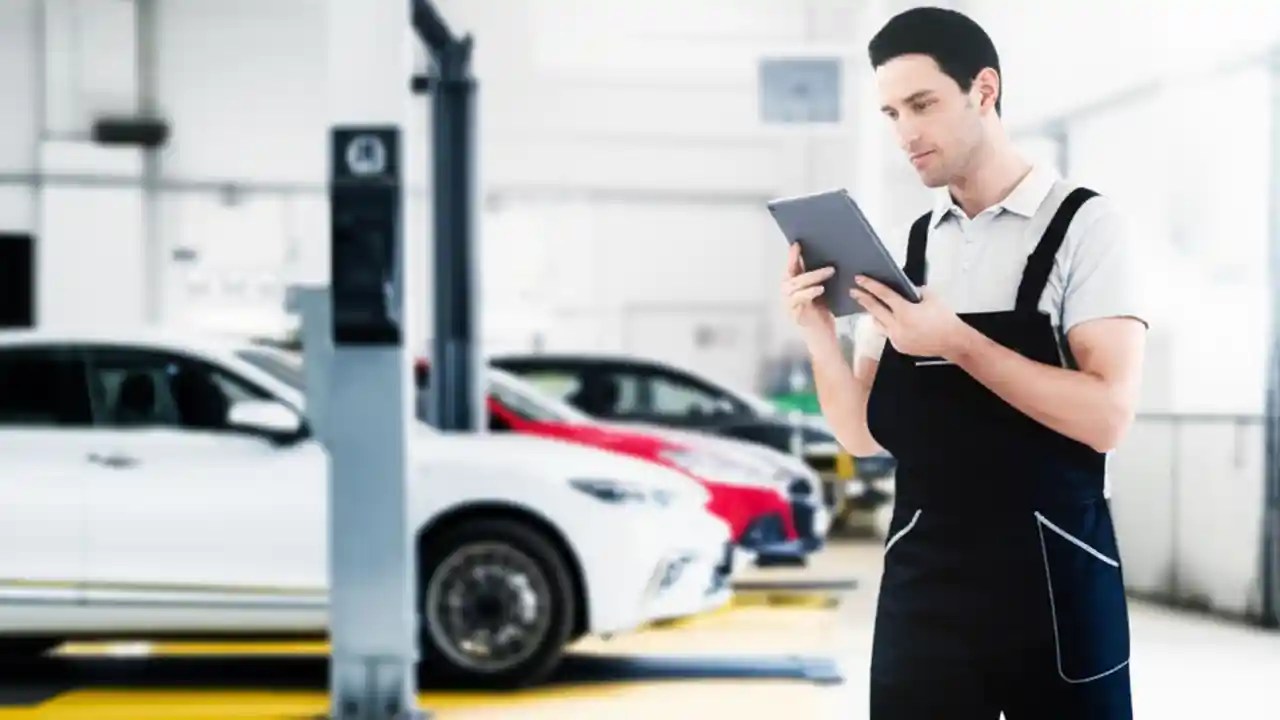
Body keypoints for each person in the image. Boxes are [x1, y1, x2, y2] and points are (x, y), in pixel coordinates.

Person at [780, 7, 1147, 719]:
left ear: (983, 90)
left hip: (1055, 582)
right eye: (891, 113)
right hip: (925, 587)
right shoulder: (908, 248)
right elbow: (861, 434)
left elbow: (1107, 417)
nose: (905, 133)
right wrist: (819, 333)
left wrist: (956, 342)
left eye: (922, 105)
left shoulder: (1087, 227)